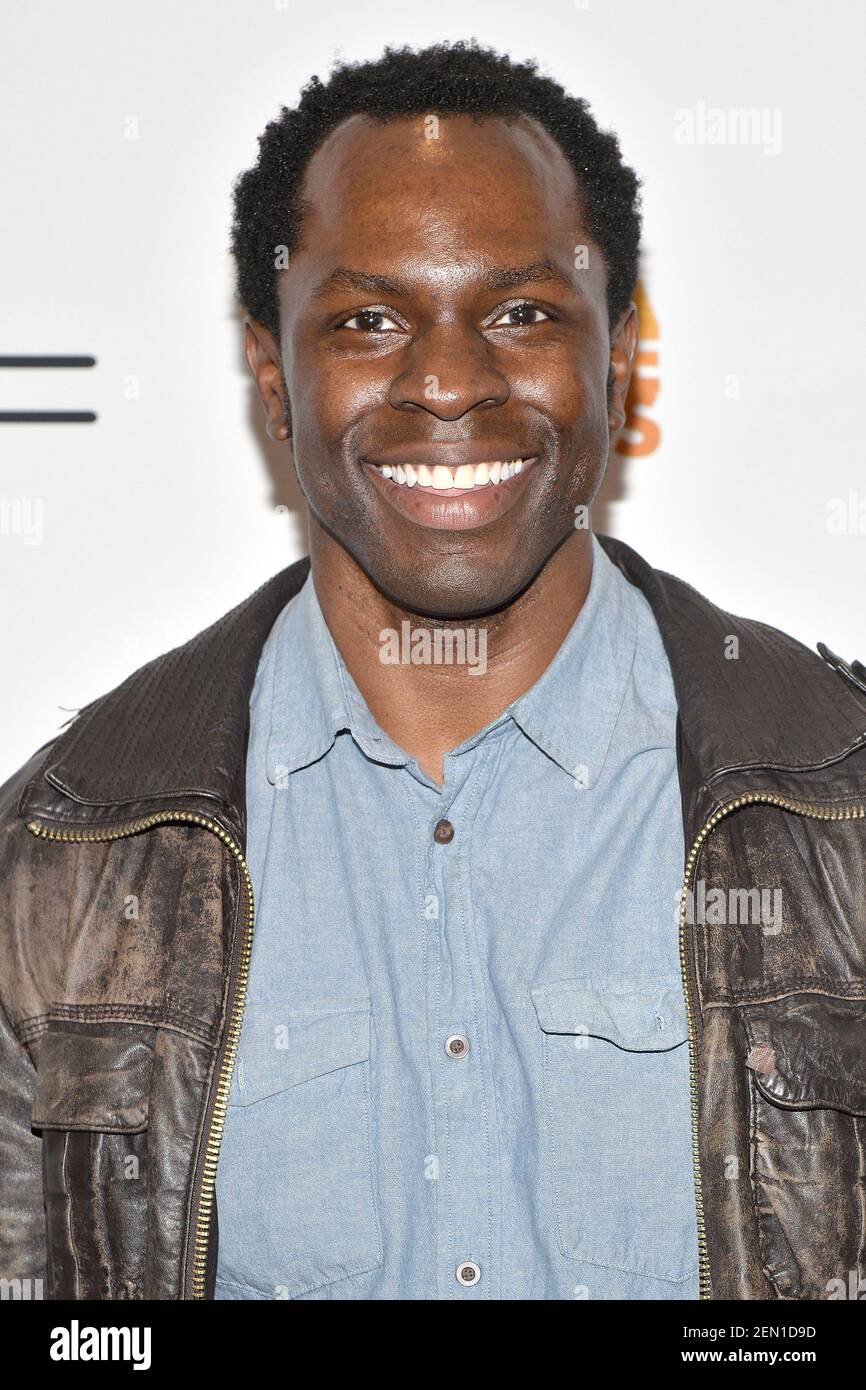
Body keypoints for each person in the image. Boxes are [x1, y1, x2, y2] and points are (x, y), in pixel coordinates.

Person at [2, 41, 865, 1302]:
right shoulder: (58, 866)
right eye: (367, 319)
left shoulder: (839, 814)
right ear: (269, 372)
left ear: (616, 353)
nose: (449, 383)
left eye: (519, 313)